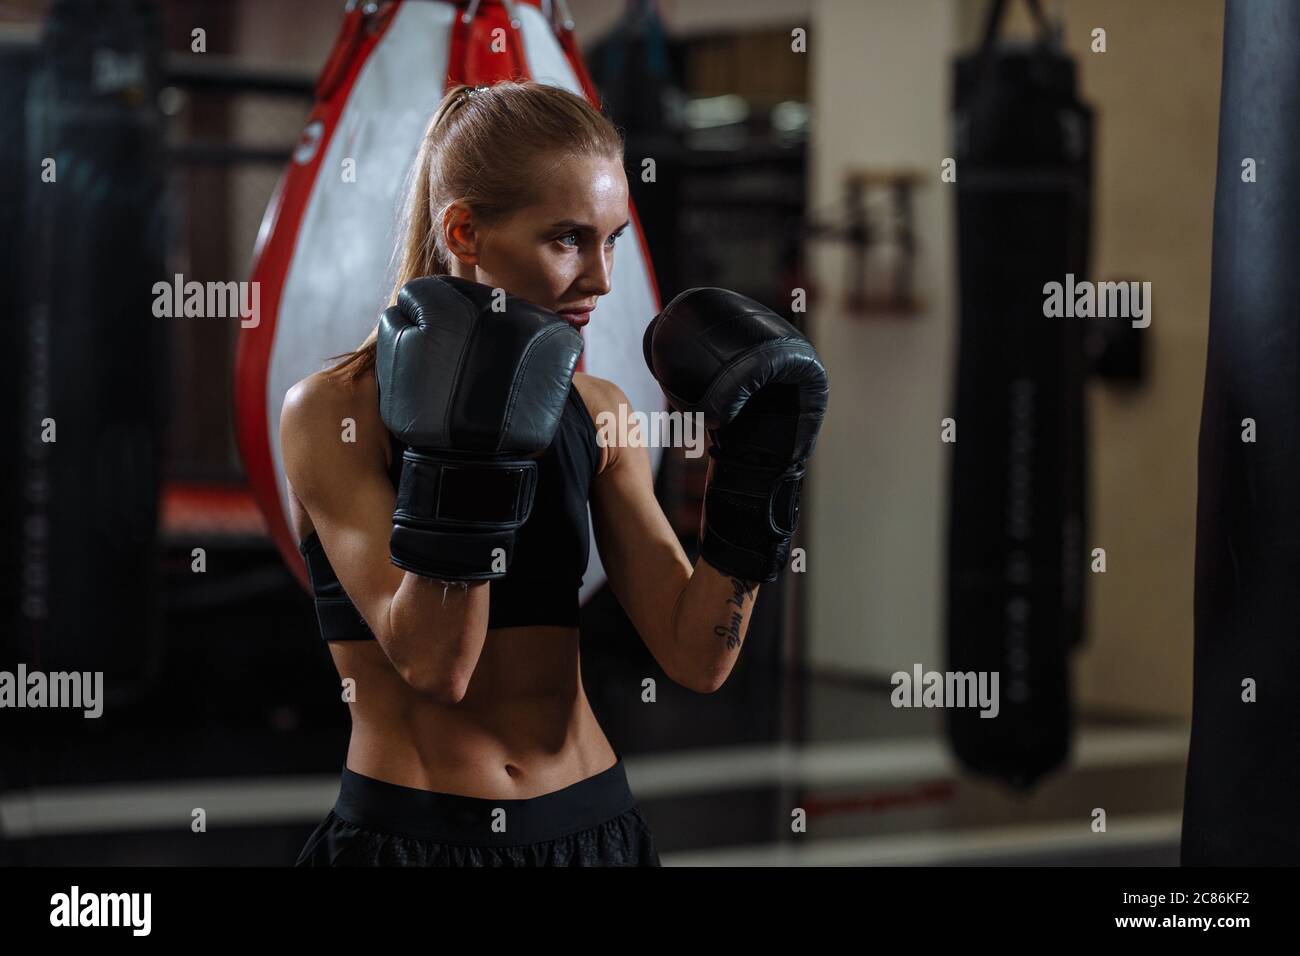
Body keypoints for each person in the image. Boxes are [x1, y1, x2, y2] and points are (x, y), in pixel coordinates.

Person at [284, 81, 827, 866]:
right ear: (464, 230)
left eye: (611, 239)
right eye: (568, 239)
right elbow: (435, 665)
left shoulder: (602, 411)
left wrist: (756, 475)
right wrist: (467, 445)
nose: (601, 279)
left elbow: (697, 656)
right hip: (415, 836)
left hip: (593, 828)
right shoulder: (334, 412)